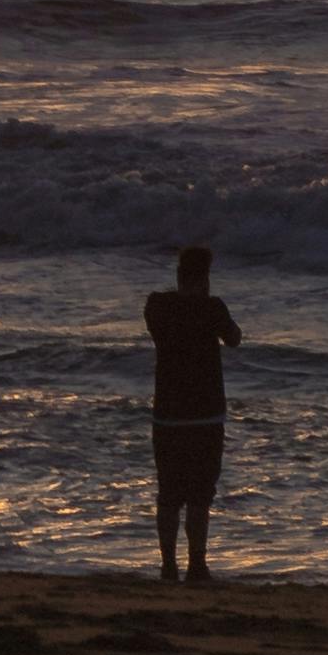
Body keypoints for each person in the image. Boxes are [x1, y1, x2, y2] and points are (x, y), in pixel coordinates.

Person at [143, 241, 242, 583]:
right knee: (200, 493)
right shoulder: (212, 309)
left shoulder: (157, 307)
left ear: (179, 274)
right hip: (205, 415)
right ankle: (197, 564)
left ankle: (168, 565)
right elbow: (234, 338)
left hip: (168, 414)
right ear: (205, 278)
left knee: (169, 493)